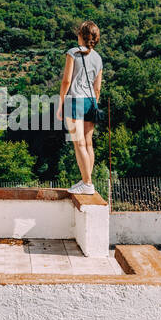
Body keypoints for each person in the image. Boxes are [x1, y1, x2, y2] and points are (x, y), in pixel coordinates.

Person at [56, 20, 103, 194]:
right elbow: (97, 87)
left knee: (79, 144)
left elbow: (66, 81)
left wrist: (61, 103)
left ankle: (87, 183)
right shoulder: (98, 58)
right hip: (91, 101)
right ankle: (87, 181)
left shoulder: (72, 53)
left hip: (75, 100)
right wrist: (94, 103)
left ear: (81, 36)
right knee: (88, 144)